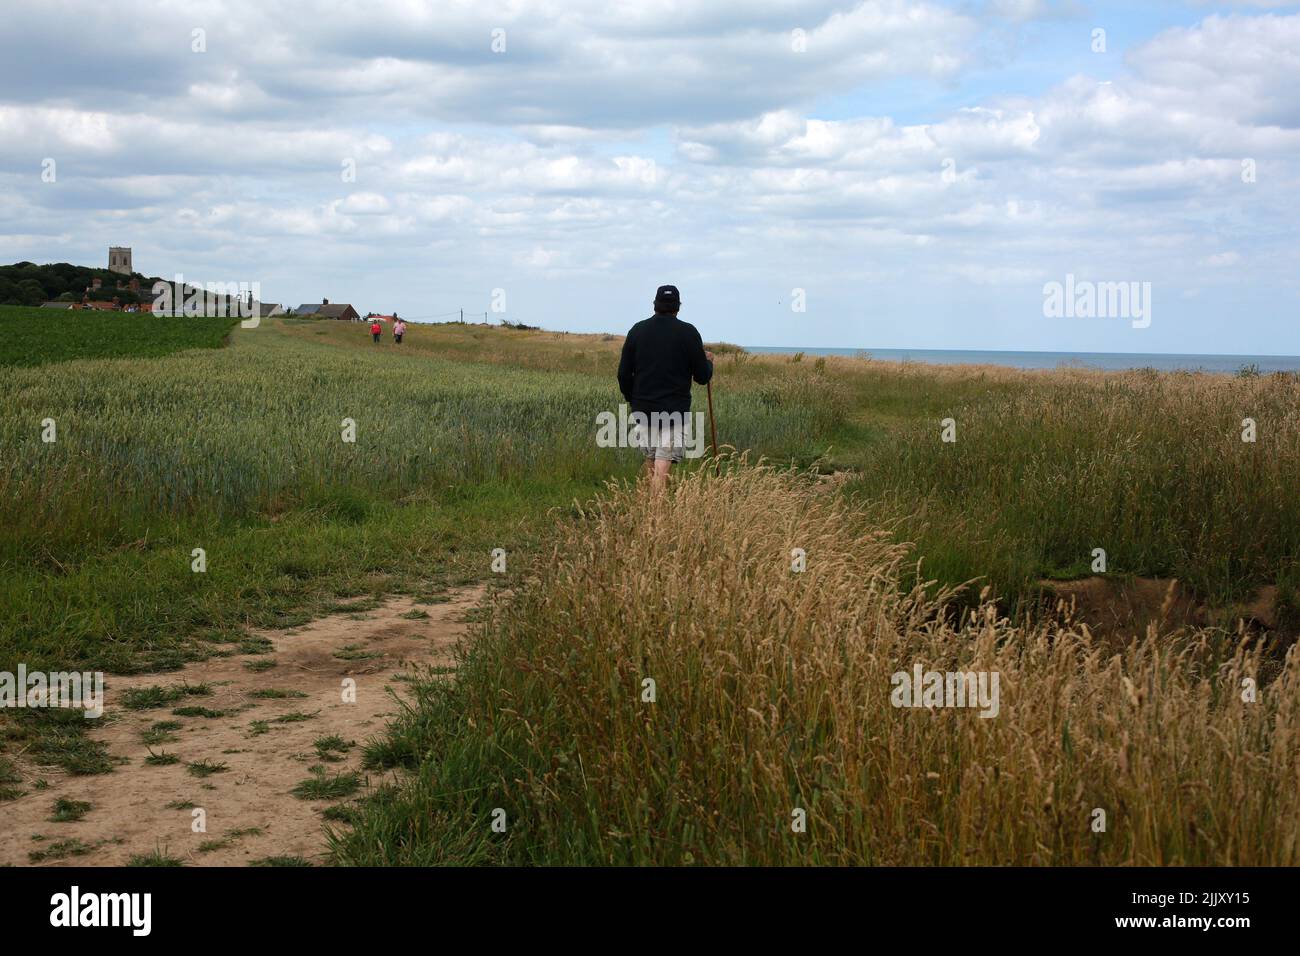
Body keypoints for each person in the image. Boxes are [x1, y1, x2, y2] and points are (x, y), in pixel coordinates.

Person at [617, 284, 713, 494]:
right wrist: (709, 362)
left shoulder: (637, 330)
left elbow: (623, 374)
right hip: (674, 410)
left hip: (643, 407)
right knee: (663, 459)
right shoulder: (688, 333)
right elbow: (702, 377)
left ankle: (647, 506)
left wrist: (632, 399)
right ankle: (655, 514)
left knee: (652, 457)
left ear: (655, 305)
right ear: (677, 307)